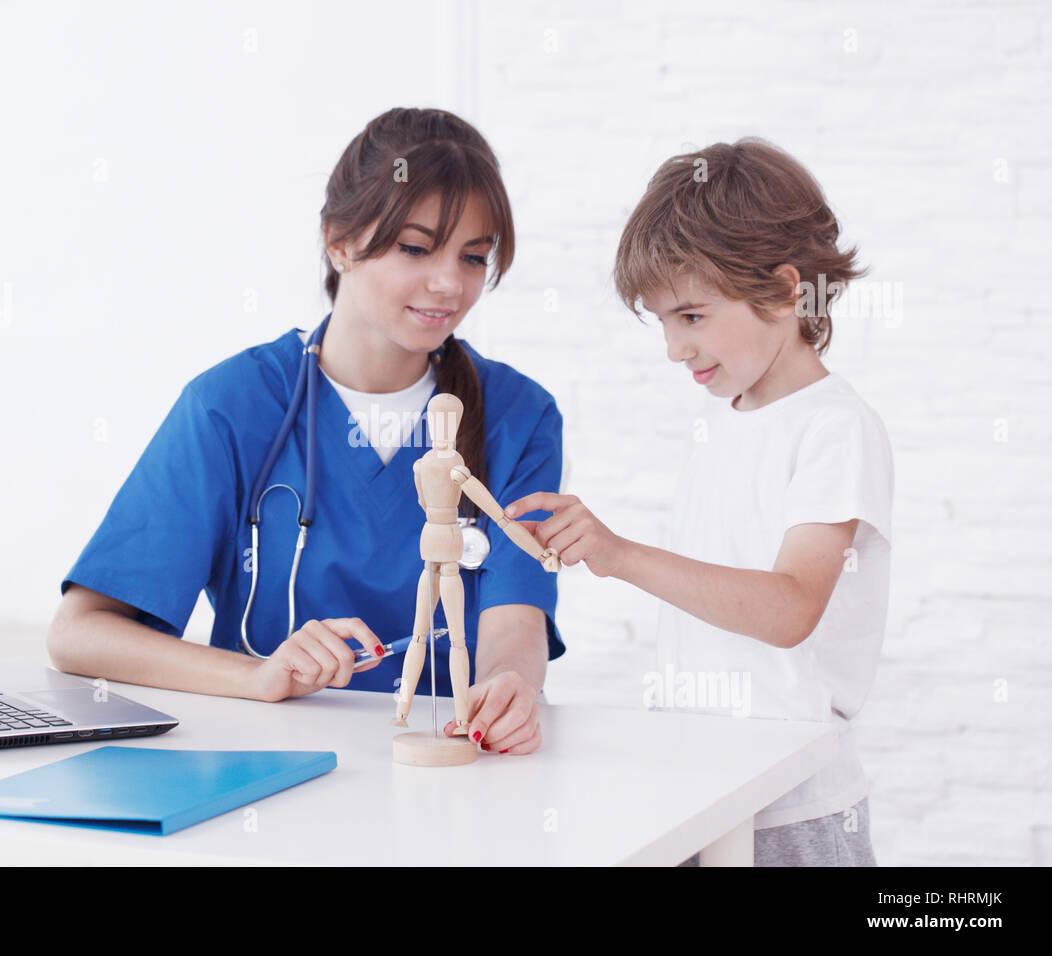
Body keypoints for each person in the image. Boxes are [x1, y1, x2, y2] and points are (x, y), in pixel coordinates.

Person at [48, 107, 566, 756]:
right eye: (415, 247)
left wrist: (508, 685)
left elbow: (515, 623)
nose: (449, 283)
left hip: (454, 767)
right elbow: (79, 633)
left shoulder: (519, 415)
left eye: (473, 257)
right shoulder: (231, 406)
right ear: (338, 242)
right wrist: (257, 677)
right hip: (266, 769)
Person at [504, 138, 892, 862]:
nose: (675, 349)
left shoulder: (835, 428)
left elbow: (788, 610)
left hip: (790, 810)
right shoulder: (725, 421)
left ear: (783, 291)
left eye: (691, 316)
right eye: (661, 323)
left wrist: (620, 555)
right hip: (704, 789)